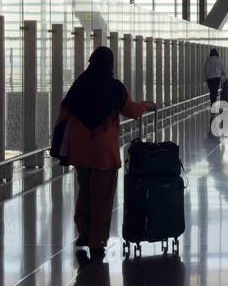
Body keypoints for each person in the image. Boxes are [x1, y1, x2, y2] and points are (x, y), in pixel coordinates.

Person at [57, 46, 156, 258]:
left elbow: (64, 112)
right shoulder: (114, 88)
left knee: (85, 191)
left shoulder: (80, 84)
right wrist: (146, 105)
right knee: (102, 198)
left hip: (80, 153)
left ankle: (84, 231)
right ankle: (97, 240)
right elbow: (131, 110)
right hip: (104, 154)